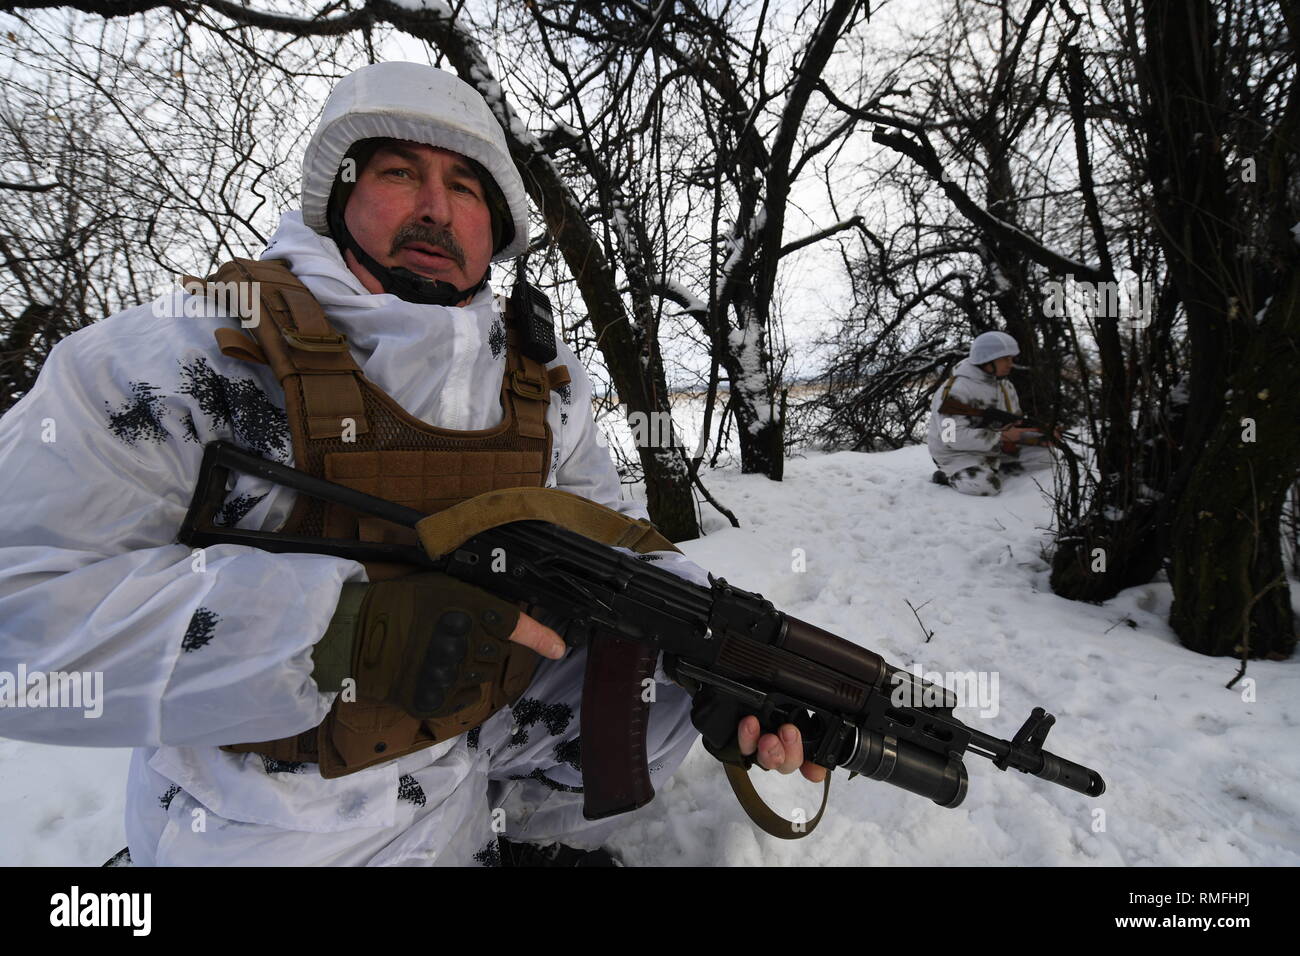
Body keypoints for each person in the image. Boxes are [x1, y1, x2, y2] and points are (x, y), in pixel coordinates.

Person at [0, 62, 824, 866]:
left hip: (482, 718)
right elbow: (20, 609)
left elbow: (606, 548)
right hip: (282, 799)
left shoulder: (539, 384)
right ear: (338, 195)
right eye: (400, 171)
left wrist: (742, 661)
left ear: (494, 227)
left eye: (466, 188)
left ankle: (530, 839)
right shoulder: (186, 357)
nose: (436, 207)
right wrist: (344, 636)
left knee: (669, 667)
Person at [926, 331, 1055, 496]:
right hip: (956, 454)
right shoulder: (956, 390)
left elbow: (1013, 427)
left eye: (1011, 358)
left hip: (994, 449)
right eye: (1005, 359)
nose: (1010, 363)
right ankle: (947, 476)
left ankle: (994, 467)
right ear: (986, 359)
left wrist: (1037, 436)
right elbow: (950, 437)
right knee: (987, 485)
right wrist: (1002, 438)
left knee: (1047, 458)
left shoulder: (1005, 386)